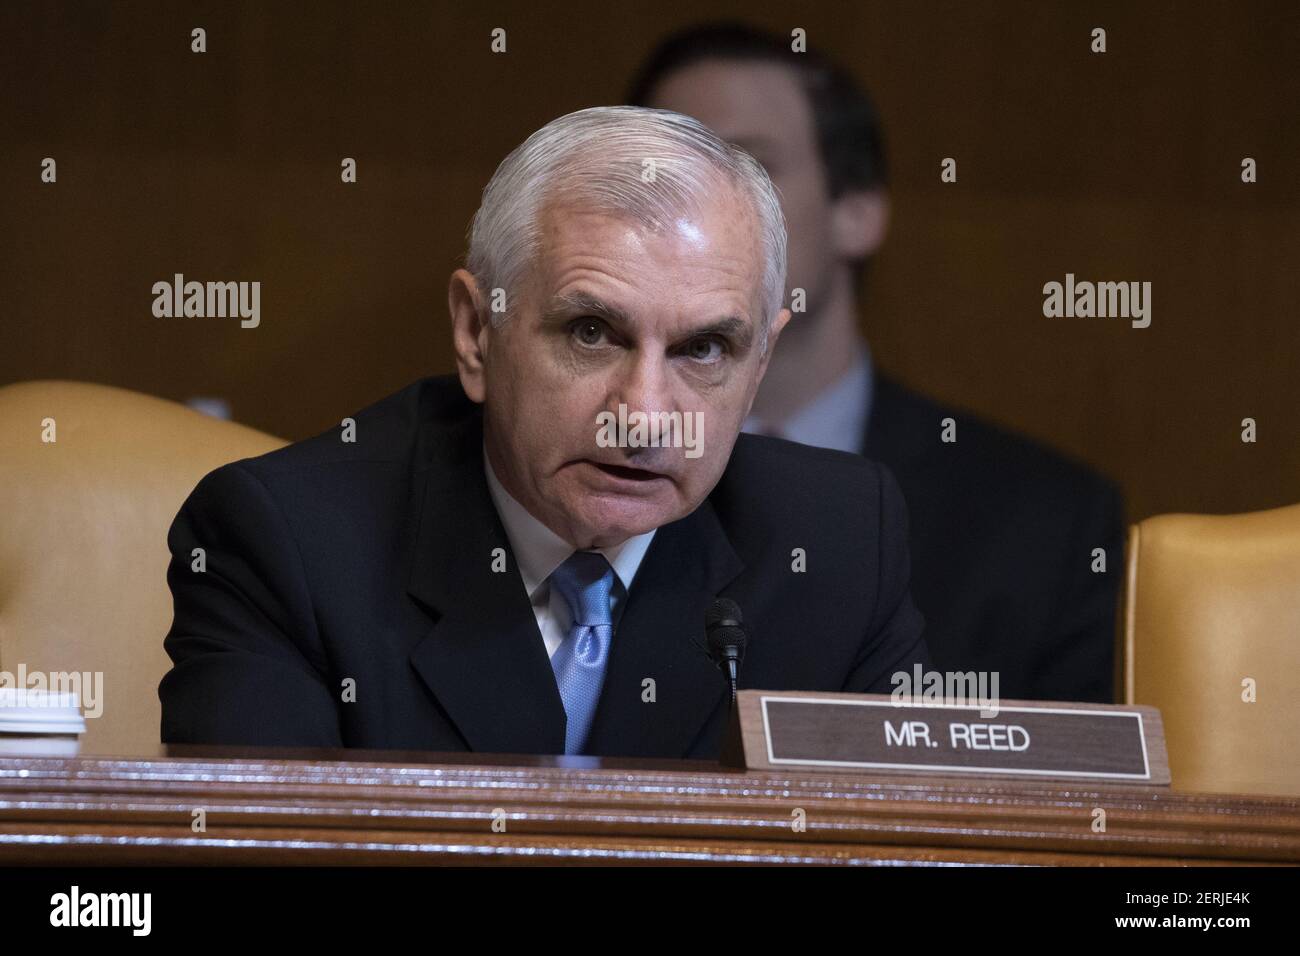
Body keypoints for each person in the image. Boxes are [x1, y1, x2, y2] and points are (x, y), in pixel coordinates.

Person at [159, 106, 931, 759]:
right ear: (475, 333)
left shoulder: (837, 548)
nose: (646, 415)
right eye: (592, 332)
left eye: (704, 349)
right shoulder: (288, 544)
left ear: (760, 362)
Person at [629, 23, 1123, 703]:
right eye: (661, 171)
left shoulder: (1044, 521)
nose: (691, 207)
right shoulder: (576, 476)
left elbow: (1072, 798)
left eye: (748, 165)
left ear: (857, 212)